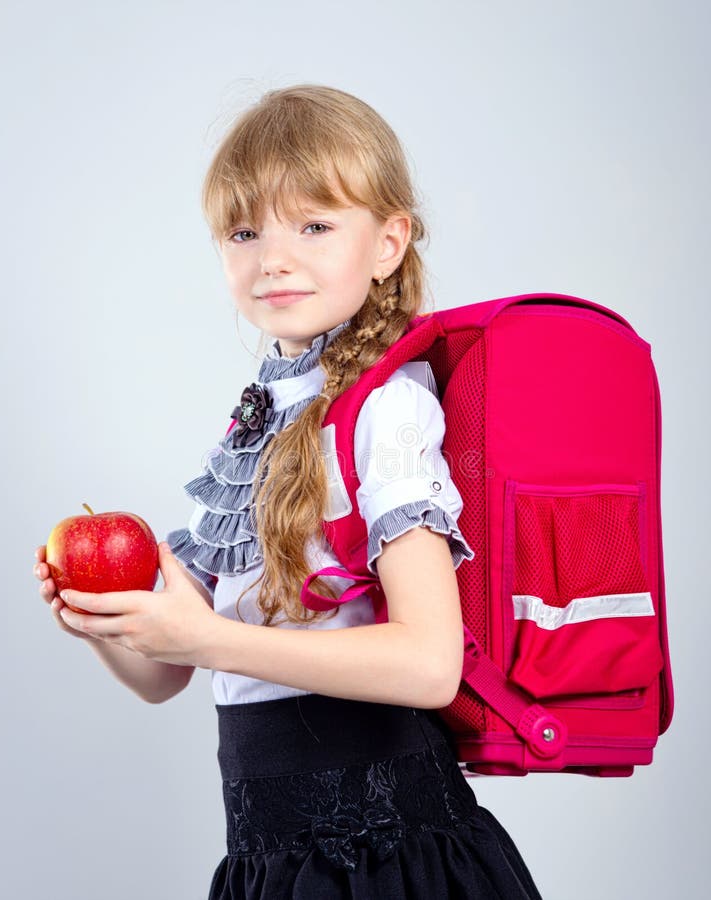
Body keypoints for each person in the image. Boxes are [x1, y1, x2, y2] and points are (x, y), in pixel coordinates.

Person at [34, 84, 543, 899]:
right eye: (244, 231)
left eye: (313, 225)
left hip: (385, 858)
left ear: (387, 242)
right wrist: (103, 621)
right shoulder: (260, 418)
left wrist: (205, 641)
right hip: (272, 858)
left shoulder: (387, 409)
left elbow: (426, 664)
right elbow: (166, 675)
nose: (272, 256)